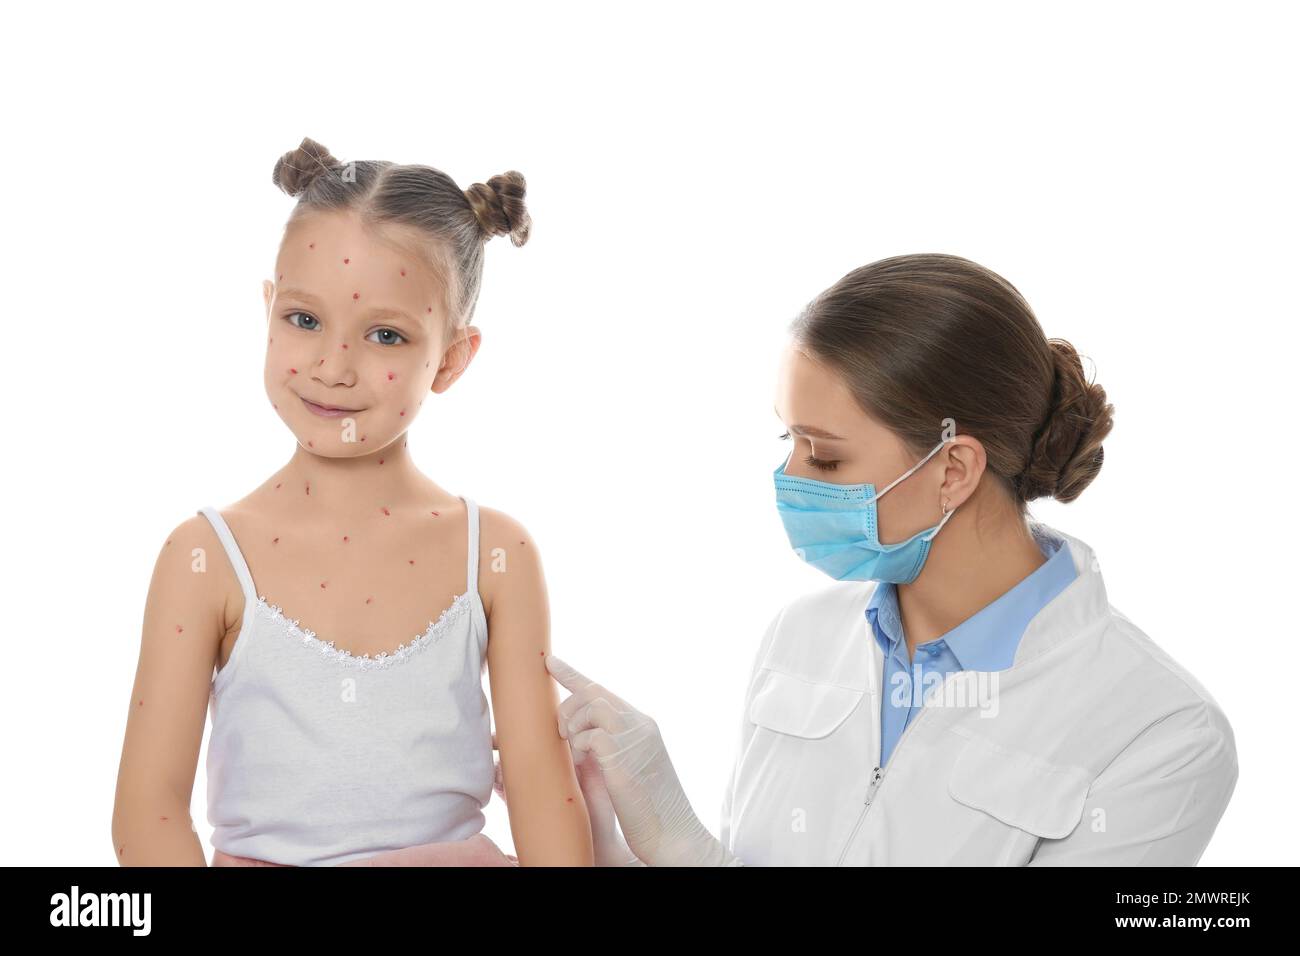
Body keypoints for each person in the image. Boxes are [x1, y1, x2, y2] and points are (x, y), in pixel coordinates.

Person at [547, 253, 1239, 866]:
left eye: (824, 453)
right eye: (788, 440)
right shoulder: (801, 637)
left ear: (954, 470)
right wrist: (620, 850)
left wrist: (686, 854)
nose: (790, 478)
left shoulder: (1162, 734)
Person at [111, 137, 591, 867]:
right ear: (268, 309)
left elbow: (538, 785)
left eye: (386, 336)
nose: (333, 368)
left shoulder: (496, 556)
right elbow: (147, 812)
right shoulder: (205, 558)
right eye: (303, 320)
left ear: (453, 358)